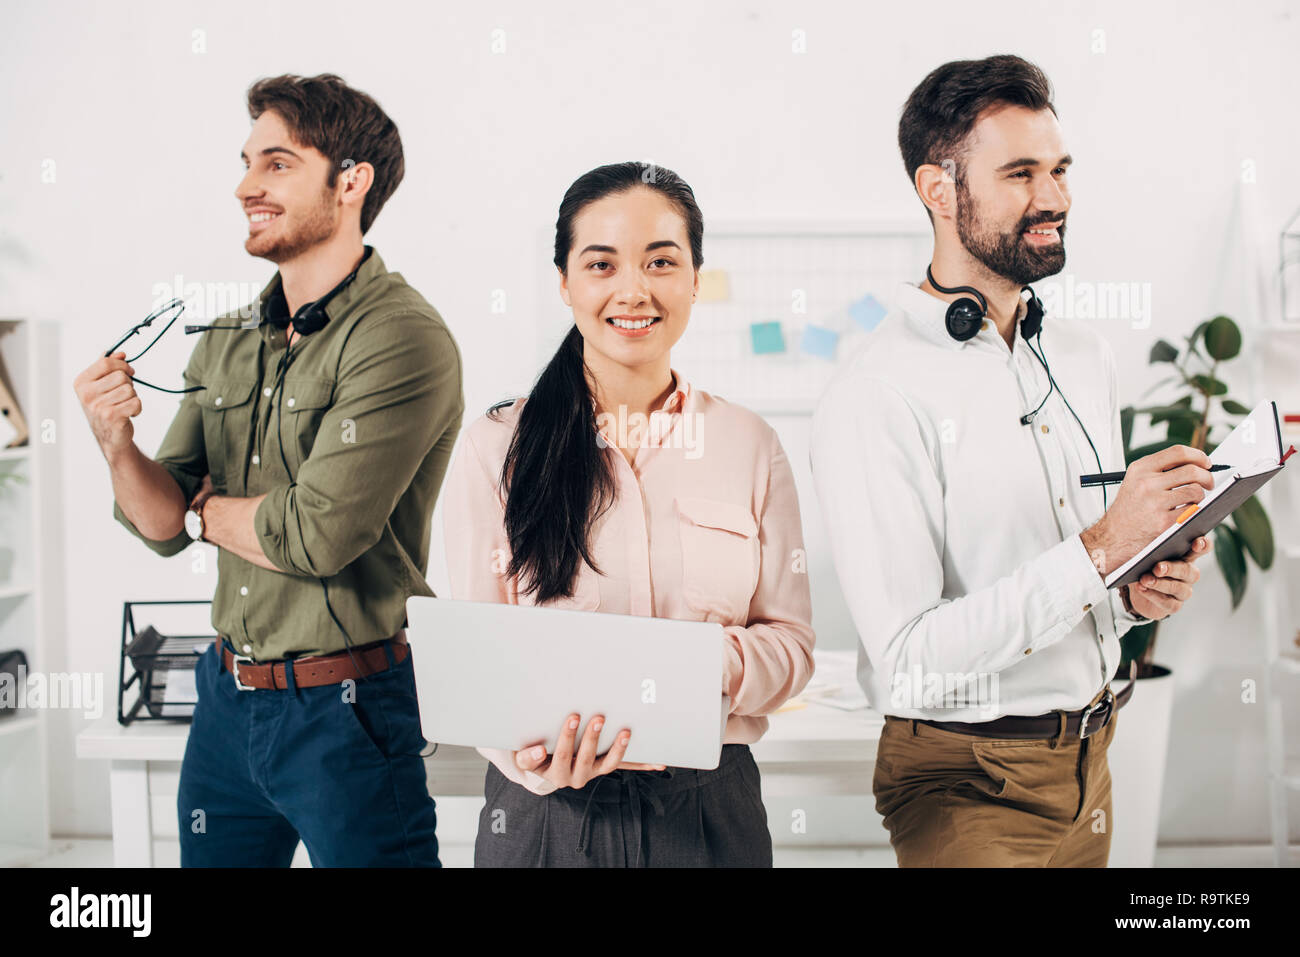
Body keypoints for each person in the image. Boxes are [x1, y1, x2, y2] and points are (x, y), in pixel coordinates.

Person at [809, 55, 1212, 867]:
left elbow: (1082, 585)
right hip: (967, 783)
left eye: (1060, 170)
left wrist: (1136, 589)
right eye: (1021, 173)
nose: (1055, 198)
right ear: (937, 188)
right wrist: (1100, 550)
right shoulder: (874, 392)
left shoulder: (1081, 354)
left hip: (1092, 760)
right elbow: (912, 664)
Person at [73, 73, 463, 866]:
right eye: (248, 162)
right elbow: (158, 524)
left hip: (348, 710)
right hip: (224, 702)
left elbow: (317, 533)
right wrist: (116, 444)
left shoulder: (403, 337)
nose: (246, 185)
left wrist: (202, 512)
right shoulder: (226, 337)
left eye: (277, 164)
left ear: (351, 182)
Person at [442, 161, 815, 867]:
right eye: (602, 263)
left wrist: (698, 665)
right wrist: (530, 762)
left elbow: (792, 647)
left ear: (696, 279)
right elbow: (474, 656)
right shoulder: (498, 448)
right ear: (565, 283)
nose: (632, 290)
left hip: (710, 808)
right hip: (545, 812)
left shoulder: (749, 445)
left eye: (661, 261)